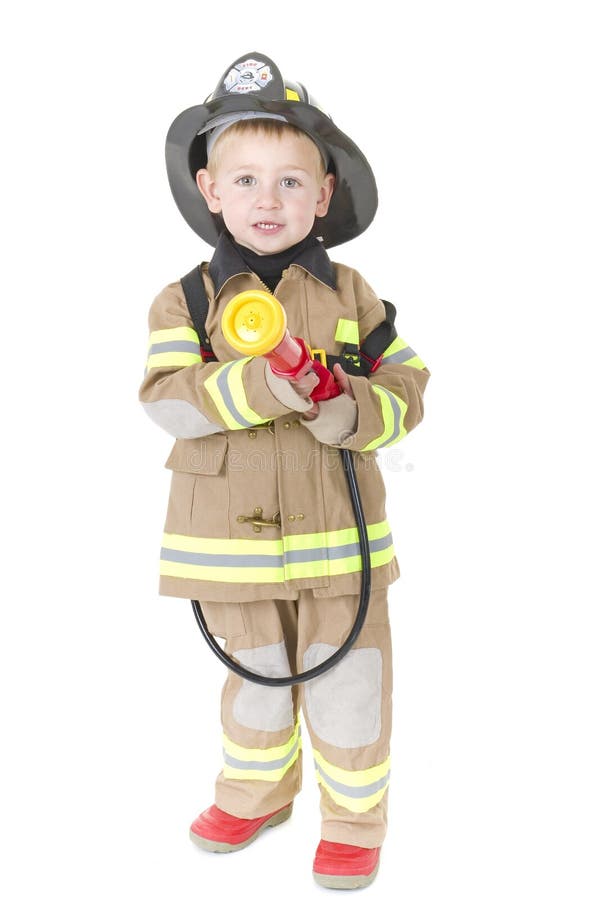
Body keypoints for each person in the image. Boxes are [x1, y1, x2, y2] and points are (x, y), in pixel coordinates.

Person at [139, 52, 430, 890]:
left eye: (292, 182)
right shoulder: (183, 303)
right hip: (230, 550)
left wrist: (349, 406)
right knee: (257, 683)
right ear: (209, 189)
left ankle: (352, 820)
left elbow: (410, 388)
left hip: (343, 549)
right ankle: (257, 792)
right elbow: (165, 400)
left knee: (351, 686)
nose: (270, 201)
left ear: (325, 196)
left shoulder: (354, 296)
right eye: (247, 180)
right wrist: (259, 383)